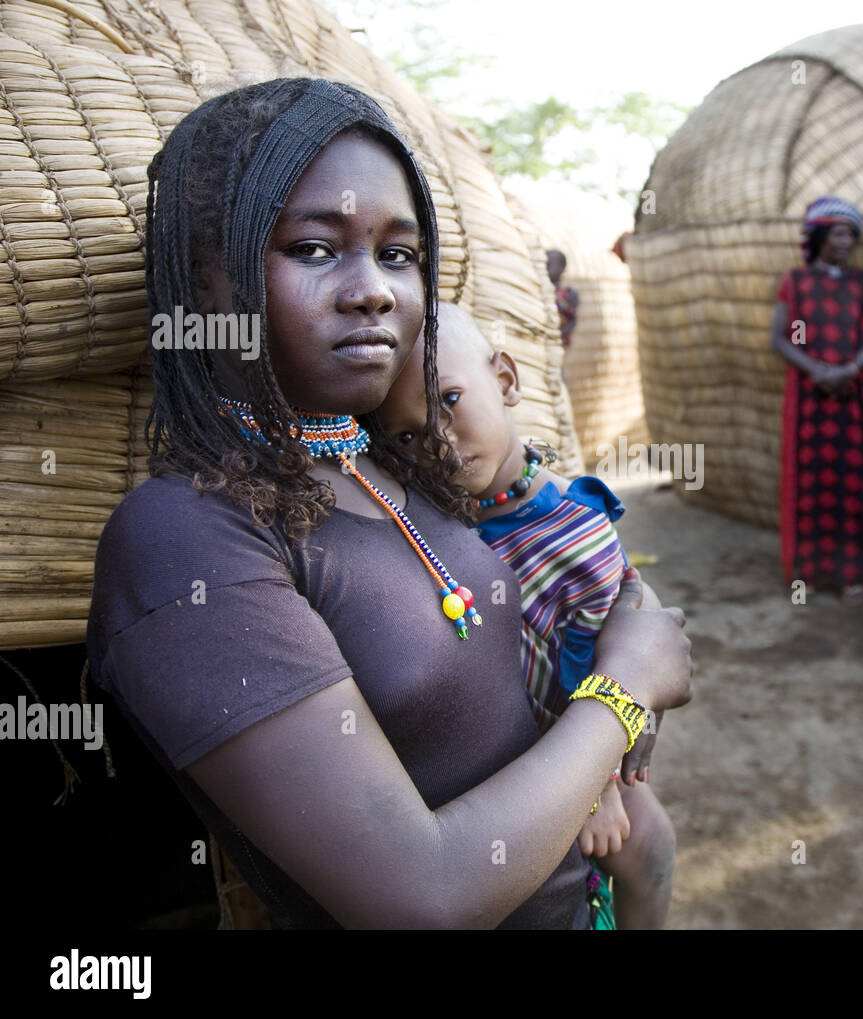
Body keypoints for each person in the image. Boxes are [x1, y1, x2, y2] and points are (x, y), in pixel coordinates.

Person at [85, 78, 692, 930]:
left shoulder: (398, 460)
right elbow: (421, 896)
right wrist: (625, 689)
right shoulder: (188, 537)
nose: (374, 289)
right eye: (314, 248)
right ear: (205, 280)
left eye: (399, 255)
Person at [377, 303, 676, 928]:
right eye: (405, 436)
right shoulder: (430, 528)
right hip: (490, 759)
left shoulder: (573, 525)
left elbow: (606, 661)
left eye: (449, 398)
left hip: (574, 745)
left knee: (647, 844)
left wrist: (599, 787)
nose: (435, 439)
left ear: (506, 382)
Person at [771, 196, 863, 601]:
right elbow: (779, 337)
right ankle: (813, 573)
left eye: (851, 234)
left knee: (852, 483)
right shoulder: (796, 282)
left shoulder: (860, 284)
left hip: (852, 398)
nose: (846, 241)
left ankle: (852, 571)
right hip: (810, 403)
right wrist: (817, 370)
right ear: (819, 235)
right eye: (838, 232)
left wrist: (850, 370)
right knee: (812, 484)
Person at [548, 249, 578, 351]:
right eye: (547, 263)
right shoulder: (539, 290)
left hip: (560, 343)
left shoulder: (569, 294)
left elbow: (573, 320)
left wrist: (558, 335)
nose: (548, 267)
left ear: (562, 267)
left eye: (552, 263)